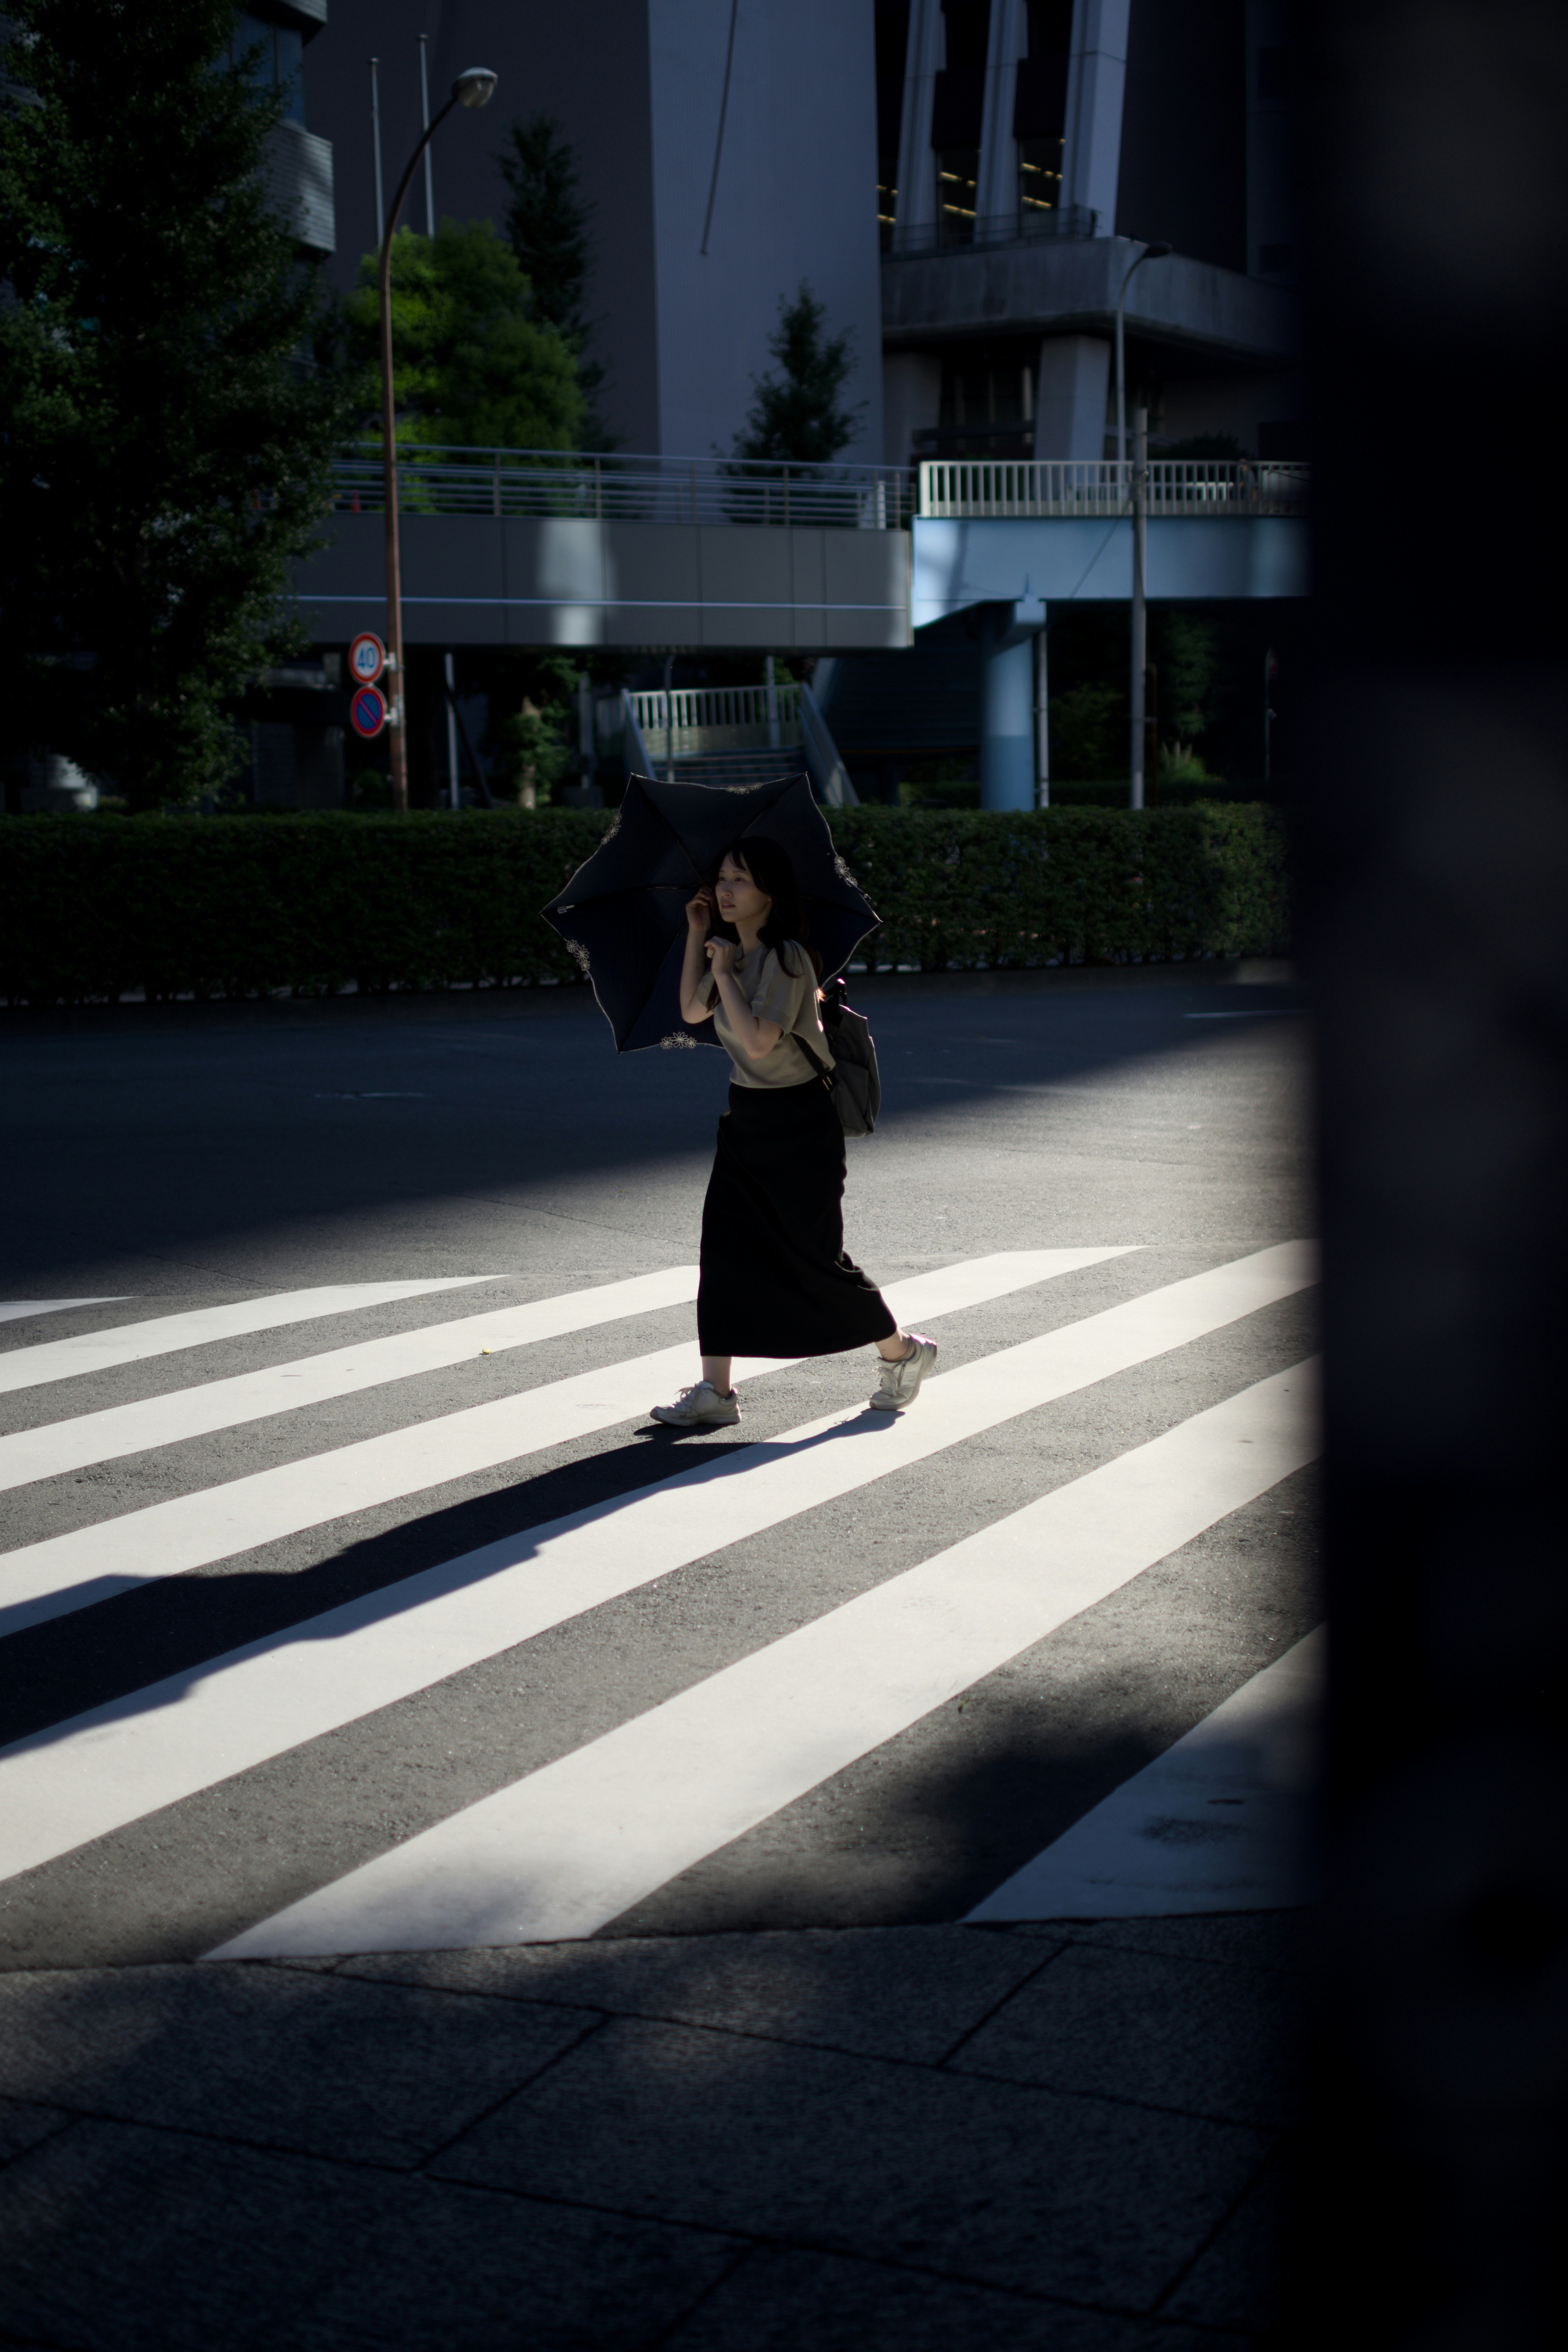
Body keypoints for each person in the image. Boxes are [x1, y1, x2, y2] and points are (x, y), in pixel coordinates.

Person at [651, 837, 936, 1428]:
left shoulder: (787, 960)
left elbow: (757, 1040)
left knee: (813, 1255)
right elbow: (688, 1011)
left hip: (800, 1123)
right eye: (721, 879)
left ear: (769, 893)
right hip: (746, 1117)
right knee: (724, 1252)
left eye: (739, 881)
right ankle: (715, 1392)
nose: (725, 890)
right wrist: (695, 934)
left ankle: (902, 1352)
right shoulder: (728, 950)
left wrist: (725, 972)